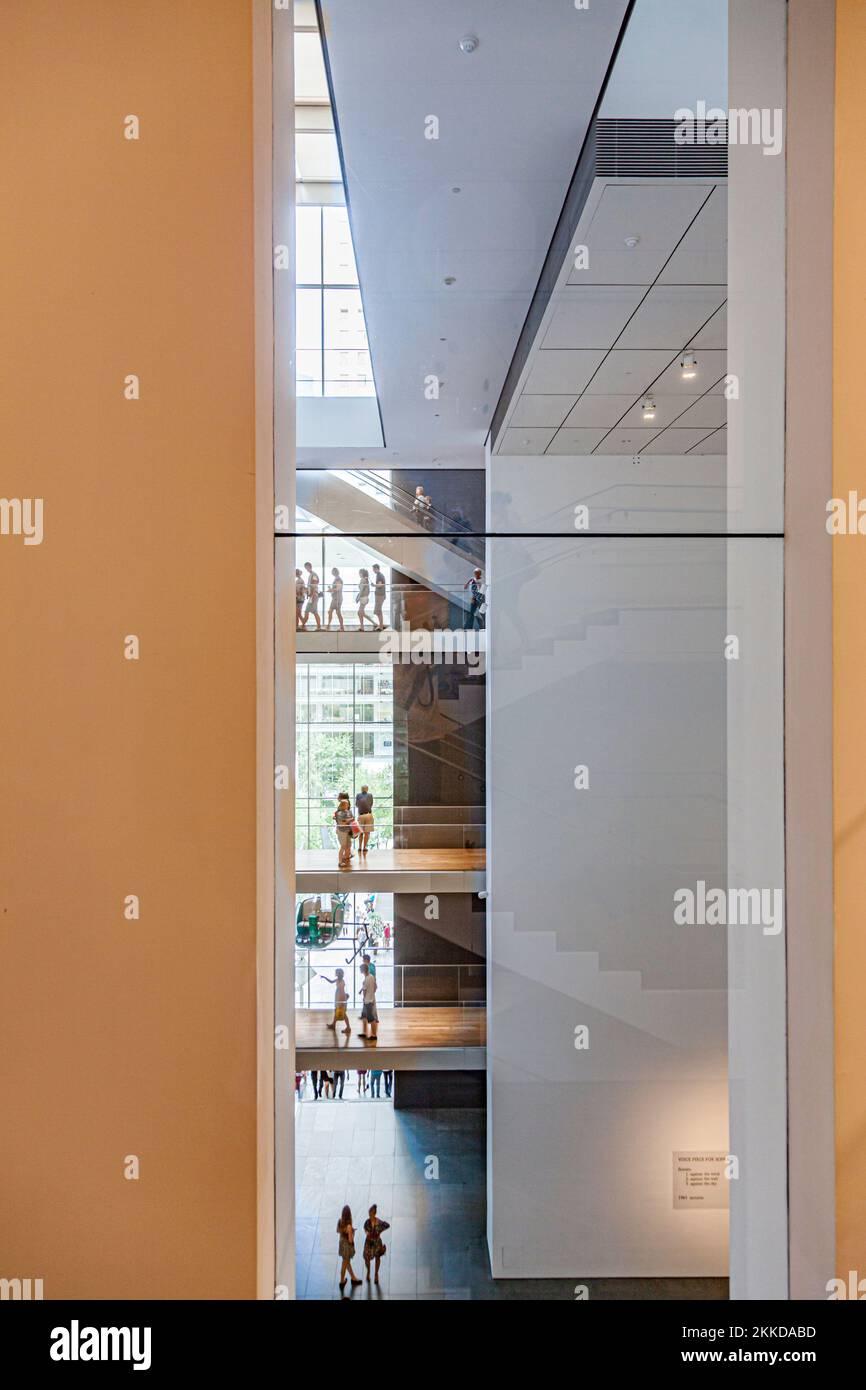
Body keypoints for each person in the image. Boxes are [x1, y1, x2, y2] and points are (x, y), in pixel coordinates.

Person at [336, 1205, 362, 1290]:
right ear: (349, 1214)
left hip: (342, 1245)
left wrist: (347, 1231)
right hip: (347, 1247)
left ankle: (353, 1278)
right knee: (344, 1264)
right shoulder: (349, 1226)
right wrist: (352, 1233)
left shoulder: (340, 1221)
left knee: (346, 1262)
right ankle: (342, 1281)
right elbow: (350, 1240)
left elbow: (338, 1231)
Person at [363, 1205, 390, 1284]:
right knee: (367, 1259)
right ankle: (368, 1271)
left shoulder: (378, 1222)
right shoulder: (367, 1222)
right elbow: (365, 1229)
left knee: (377, 1258)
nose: (369, 1215)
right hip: (368, 1242)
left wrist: (380, 1231)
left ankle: (376, 1274)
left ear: (374, 1213)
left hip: (377, 1242)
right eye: (369, 1213)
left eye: (371, 1213)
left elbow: (387, 1225)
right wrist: (367, 1233)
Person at [321, 967, 351, 1034]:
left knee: (343, 1014)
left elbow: (342, 993)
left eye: (336, 972)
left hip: (340, 999)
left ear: (338, 974)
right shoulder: (338, 980)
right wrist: (324, 977)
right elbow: (331, 981)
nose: (335, 973)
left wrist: (342, 1002)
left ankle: (348, 1027)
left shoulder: (341, 982)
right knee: (336, 1011)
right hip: (338, 998)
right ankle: (333, 1025)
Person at [360, 962, 378, 1042]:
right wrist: (372, 994)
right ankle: (364, 1032)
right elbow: (375, 987)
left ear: (363, 970)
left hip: (367, 1001)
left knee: (371, 1019)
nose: (360, 970)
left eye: (360, 969)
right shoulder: (371, 977)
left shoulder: (366, 979)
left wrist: (364, 998)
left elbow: (364, 991)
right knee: (364, 1016)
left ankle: (374, 1035)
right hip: (370, 999)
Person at [335, 795, 353, 869]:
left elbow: (352, 819)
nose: (348, 805)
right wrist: (349, 820)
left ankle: (346, 858)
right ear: (343, 805)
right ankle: (340, 862)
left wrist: (349, 820)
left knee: (348, 845)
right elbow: (342, 823)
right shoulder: (339, 813)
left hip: (348, 831)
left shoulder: (348, 812)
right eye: (346, 804)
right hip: (342, 832)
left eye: (348, 804)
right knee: (343, 846)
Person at [355, 785, 374, 854]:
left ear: (361, 789)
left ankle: (359, 847)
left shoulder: (358, 795)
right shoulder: (370, 795)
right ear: (367, 789)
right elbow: (371, 804)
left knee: (361, 832)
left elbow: (356, 805)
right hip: (368, 814)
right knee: (367, 832)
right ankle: (364, 847)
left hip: (361, 815)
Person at [302, 561, 321, 630]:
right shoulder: (311, 575)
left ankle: (318, 627)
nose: (306, 569)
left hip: (313, 596)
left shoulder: (314, 574)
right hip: (312, 596)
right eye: (305, 568)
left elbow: (314, 585)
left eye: (306, 567)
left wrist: (312, 596)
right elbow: (311, 586)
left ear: (309, 567)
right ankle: (303, 626)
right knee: (308, 611)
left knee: (313, 612)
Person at [372, 564, 387, 631]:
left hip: (380, 595)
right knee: (378, 611)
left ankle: (381, 626)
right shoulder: (379, 575)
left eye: (374, 569)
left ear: (377, 568)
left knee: (378, 611)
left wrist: (374, 585)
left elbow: (380, 585)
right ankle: (381, 625)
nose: (373, 570)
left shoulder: (379, 575)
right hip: (380, 595)